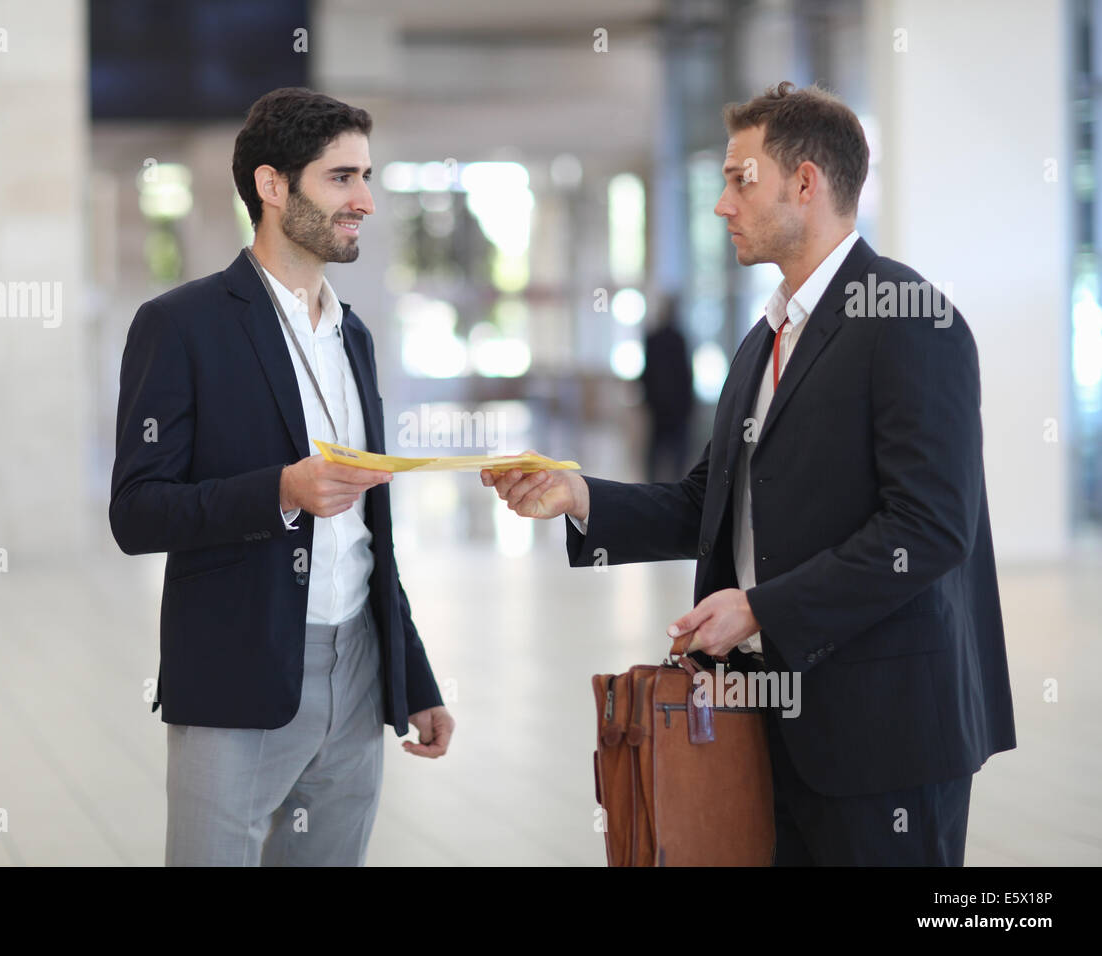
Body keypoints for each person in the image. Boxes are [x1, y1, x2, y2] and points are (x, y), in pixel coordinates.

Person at [484, 81, 1014, 866]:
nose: (723, 205)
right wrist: (580, 494)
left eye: (741, 179)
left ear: (806, 182)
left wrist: (761, 609)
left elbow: (929, 529)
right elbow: (711, 502)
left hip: (885, 736)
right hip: (767, 720)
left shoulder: (907, 319)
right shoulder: (764, 337)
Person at [110, 87, 454, 867]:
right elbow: (137, 513)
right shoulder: (181, 325)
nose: (365, 200)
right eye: (341, 178)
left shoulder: (353, 336)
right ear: (273, 187)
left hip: (361, 672)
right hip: (241, 667)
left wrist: (415, 676)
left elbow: (372, 537)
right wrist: (280, 493)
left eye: (366, 176)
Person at [641, 297, 694, 482]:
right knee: (674, 450)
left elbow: (647, 374)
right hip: (674, 406)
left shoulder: (655, 338)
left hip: (661, 406)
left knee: (657, 450)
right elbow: (686, 374)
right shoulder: (676, 338)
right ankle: (676, 481)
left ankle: (653, 482)